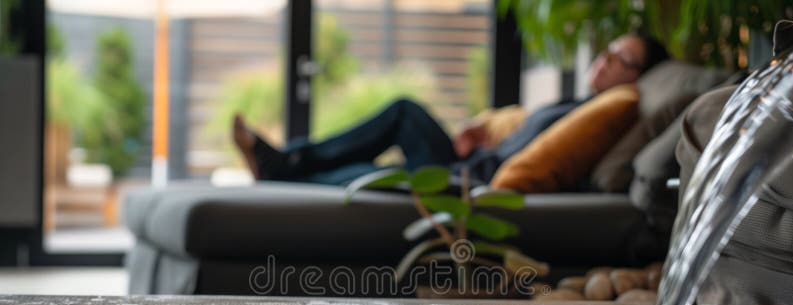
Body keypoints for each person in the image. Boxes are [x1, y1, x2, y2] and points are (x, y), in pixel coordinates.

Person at [233, 32, 669, 186]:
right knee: (368, 176)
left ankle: (285, 162)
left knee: (401, 117)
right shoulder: (582, 103)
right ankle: (282, 165)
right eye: (609, 51)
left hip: (470, 179)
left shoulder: (615, 110)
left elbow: (535, 165)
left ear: (639, 76)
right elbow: (520, 134)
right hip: (468, 163)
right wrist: (482, 129)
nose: (606, 59)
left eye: (622, 59)